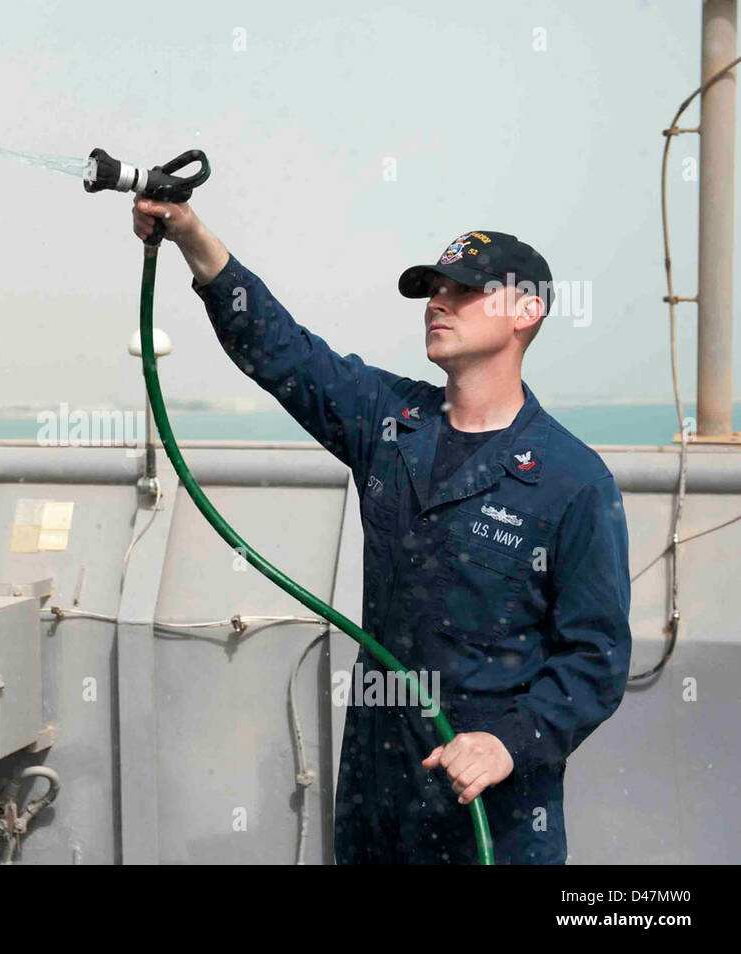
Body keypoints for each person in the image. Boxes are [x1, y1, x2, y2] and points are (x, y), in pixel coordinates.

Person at [132, 199, 632, 864]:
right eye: (433, 289)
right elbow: (281, 349)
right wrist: (192, 236)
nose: (438, 302)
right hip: (377, 796)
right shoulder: (391, 422)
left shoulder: (573, 481)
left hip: (490, 818)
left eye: (464, 290)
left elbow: (596, 661)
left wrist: (509, 741)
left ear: (526, 311)